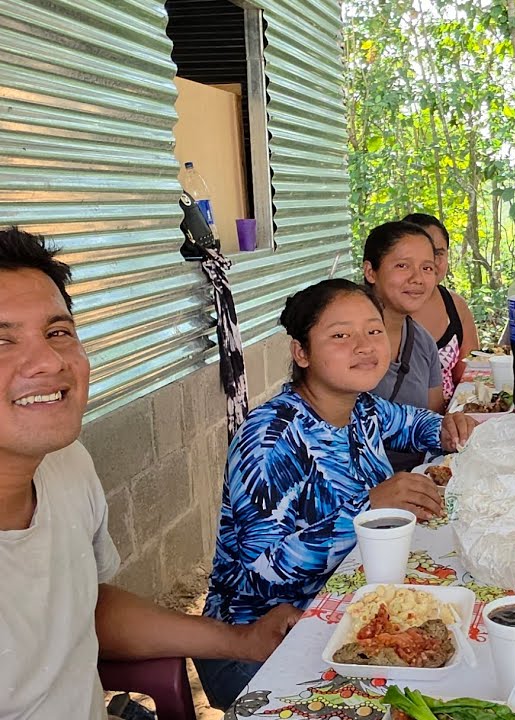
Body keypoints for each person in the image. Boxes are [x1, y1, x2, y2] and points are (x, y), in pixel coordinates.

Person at [0, 227, 299, 720]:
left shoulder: (66, 466)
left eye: (58, 332)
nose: (48, 362)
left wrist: (243, 640)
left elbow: (86, 606)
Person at [197, 279, 476, 708]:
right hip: (258, 639)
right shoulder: (270, 440)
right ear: (302, 352)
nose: (364, 346)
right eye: (341, 335)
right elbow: (261, 571)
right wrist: (367, 510)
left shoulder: (362, 407)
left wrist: (447, 427)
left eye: (374, 330)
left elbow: (414, 422)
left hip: (345, 605)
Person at [362, 220, 446, 470]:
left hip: (413, 480)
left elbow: (432, 422)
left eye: (427, 268)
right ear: (370, 272)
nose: (417, 278)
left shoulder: (423, 342)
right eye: (402, 266)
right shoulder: (347, 344)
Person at [402, 213, 479, 400]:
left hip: (451, 421)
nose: (431, 262)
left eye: (438, 253)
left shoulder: (455, 306)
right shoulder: (378, 315)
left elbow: (468, 378)